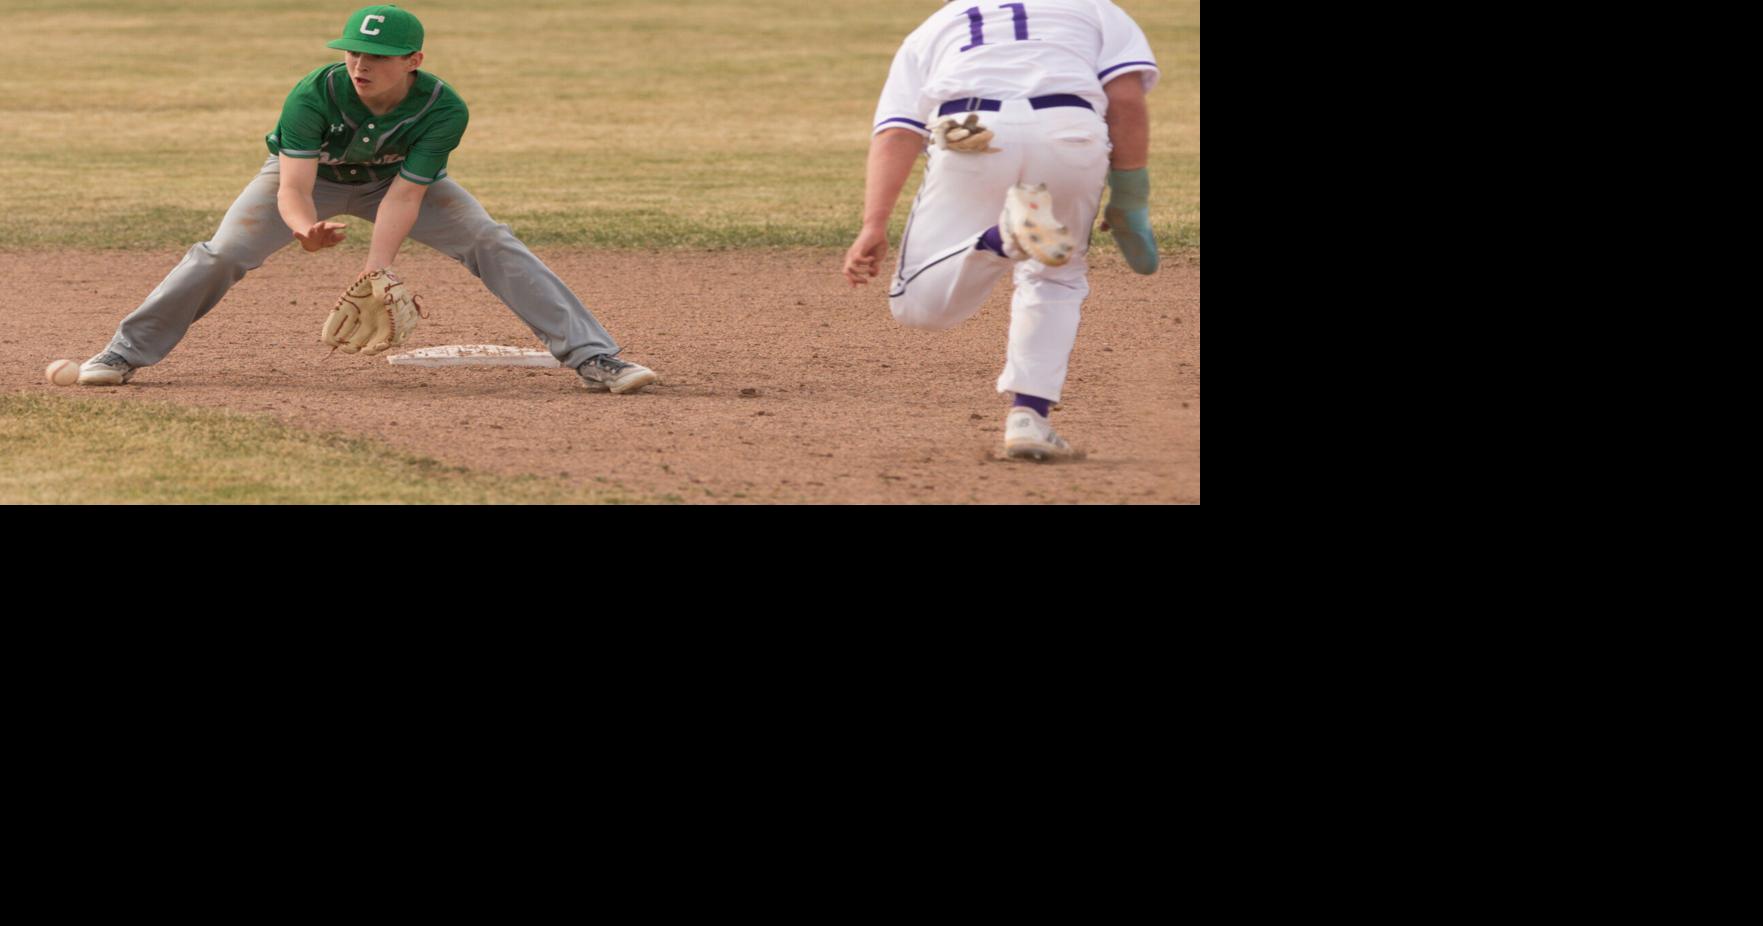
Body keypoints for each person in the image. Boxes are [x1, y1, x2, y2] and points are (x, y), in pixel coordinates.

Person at [79, 4, 659, 394]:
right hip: (311, 180)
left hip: (393, 184)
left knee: (489, 238)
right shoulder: (314, 93)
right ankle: (122, 354)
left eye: (377, 56)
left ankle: (594, 357)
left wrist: (377, 266)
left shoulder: (443, 109)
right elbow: (293, 185)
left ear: (414, 62)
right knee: (221, 253)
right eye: (354, 51)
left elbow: (406, 194)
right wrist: (305, 229)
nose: (360, 63)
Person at [842, 0, 1161, 461]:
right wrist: (1131, 197)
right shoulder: (1095, 9)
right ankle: (1029, 418)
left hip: (970, 133)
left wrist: (873, 223)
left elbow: (898, 131)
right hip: (1070, 131)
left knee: (918, 308)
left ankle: (1004, 241)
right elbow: (1126, 99)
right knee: (1057, 272)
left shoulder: (936, 25)